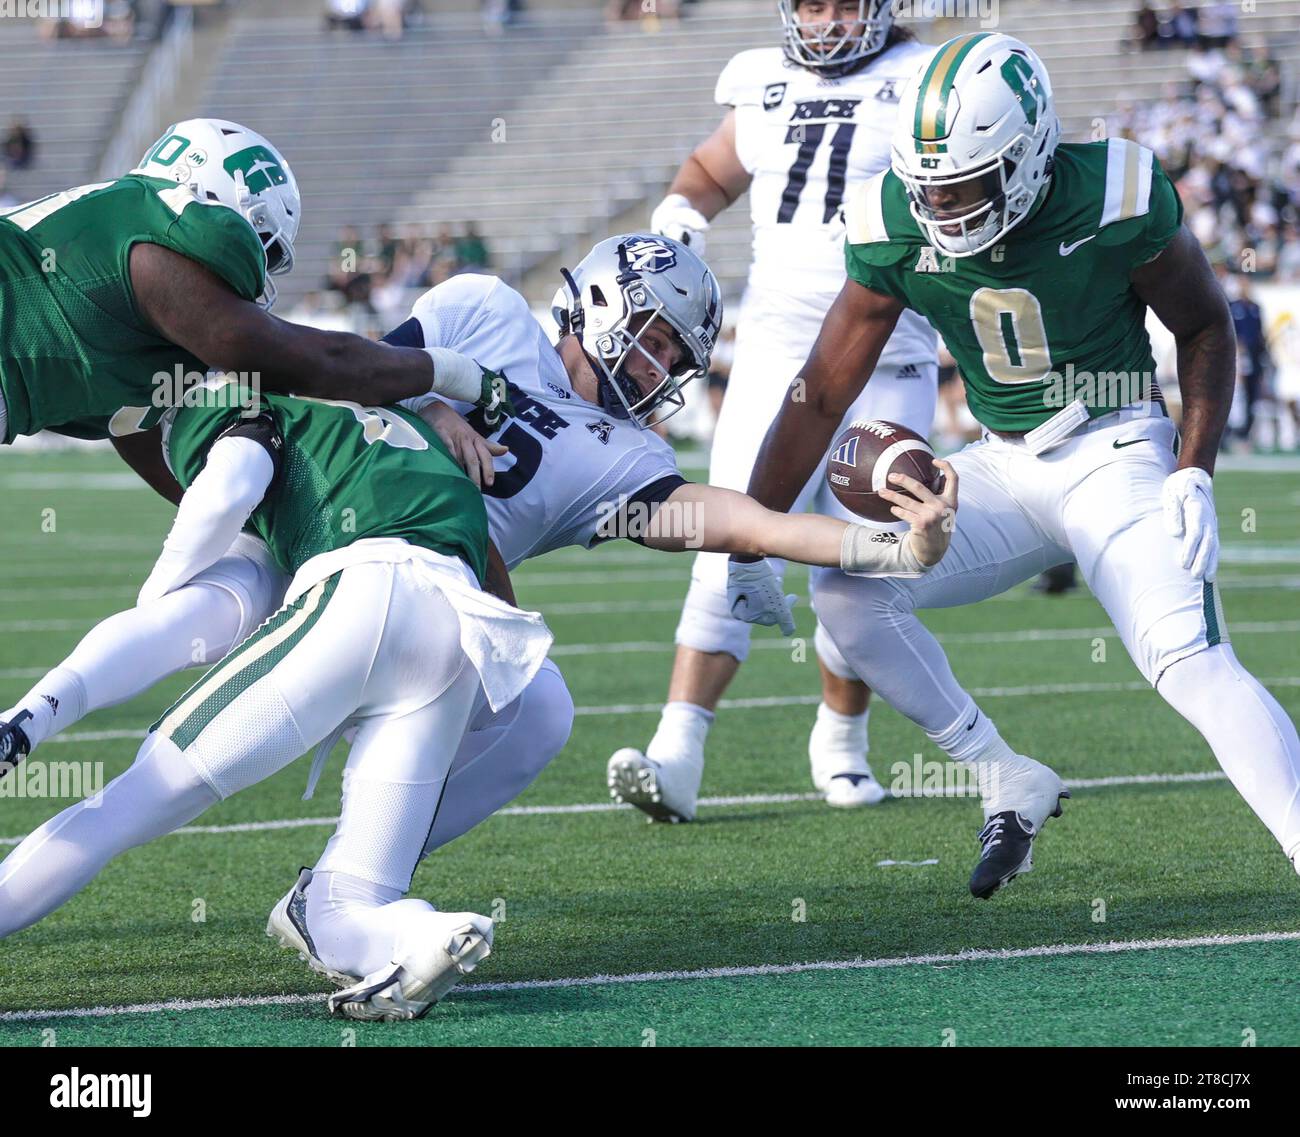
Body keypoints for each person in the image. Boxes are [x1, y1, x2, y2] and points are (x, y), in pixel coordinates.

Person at [0, 235, 960, 1014]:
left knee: (542, 709)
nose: (664, 365)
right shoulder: (486, 311)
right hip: (319, 529)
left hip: (442, 601)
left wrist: (885, 549)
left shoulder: (620, 451)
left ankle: (344, 889)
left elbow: (740, 519)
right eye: (660, 338)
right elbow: (353, 371)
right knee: (175, 649)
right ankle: (38, 718)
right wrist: (432, 398)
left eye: (679, 354)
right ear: (605, 300)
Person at [735, 32, 1300, 897]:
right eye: (929, 184)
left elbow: (1204, 325)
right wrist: (752, 536)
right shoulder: (892, 222)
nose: (944, 208)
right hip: (997, 465)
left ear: (1031, 153)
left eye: (964, 182)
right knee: (846, 591)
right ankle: (1005, 773)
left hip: (1114, 450)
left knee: (1188, 658)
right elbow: (821, 392)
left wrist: (1193, 466)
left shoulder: (1111, 192)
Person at [612, 0, 939, 820]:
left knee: (861, 566)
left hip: (888, 351)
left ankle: (841, 739)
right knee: (726, 537)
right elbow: (714, 169)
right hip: (775, 351)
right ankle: (677, 752)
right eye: (808, 4)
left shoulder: (922, 78)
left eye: (838, 3)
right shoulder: (762, 79)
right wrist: (682, 213)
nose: (823, 20)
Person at [0, 118, 510, 462]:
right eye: (261, 245)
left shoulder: (108, 267)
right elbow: (312, 360)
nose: (254, 275)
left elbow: (145, 437)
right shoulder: (154, 232)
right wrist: (448, 371)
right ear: (219, 200)